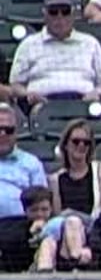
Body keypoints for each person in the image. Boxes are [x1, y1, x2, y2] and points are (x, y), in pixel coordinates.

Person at [10, 0, 101, 105]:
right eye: (53, 11)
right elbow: (15, 86)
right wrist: (27, 94)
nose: (60, 17)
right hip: (42, 104)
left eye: (65, 11)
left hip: (84, 103)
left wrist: (97, 93)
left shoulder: (90, 43)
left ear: (73, 13)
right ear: (45, 14)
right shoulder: (28, 44)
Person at [0, 104, 47, 270]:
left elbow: (42, 201)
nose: (2, 134)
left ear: (17, 133)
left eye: (8, 130)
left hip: (20, 225)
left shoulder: (30, 163)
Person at [50, 119, 101, 220]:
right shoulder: (55, 179)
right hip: (66, 226)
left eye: (86, 142)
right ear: (65, 145)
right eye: (76, 141)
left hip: (94, 225)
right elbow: (57, 215)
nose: (81, 145)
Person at [25, 185, 92, 272]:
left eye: (44, 209)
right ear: (25, 211)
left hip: (67, 259)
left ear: (51, 209)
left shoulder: (59, 222)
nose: (39, 214)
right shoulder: (20, 229)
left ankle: (75, 260)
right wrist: (34, 234)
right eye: (34, 210)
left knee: (73, 221)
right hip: (38, 266)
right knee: (48, 242)